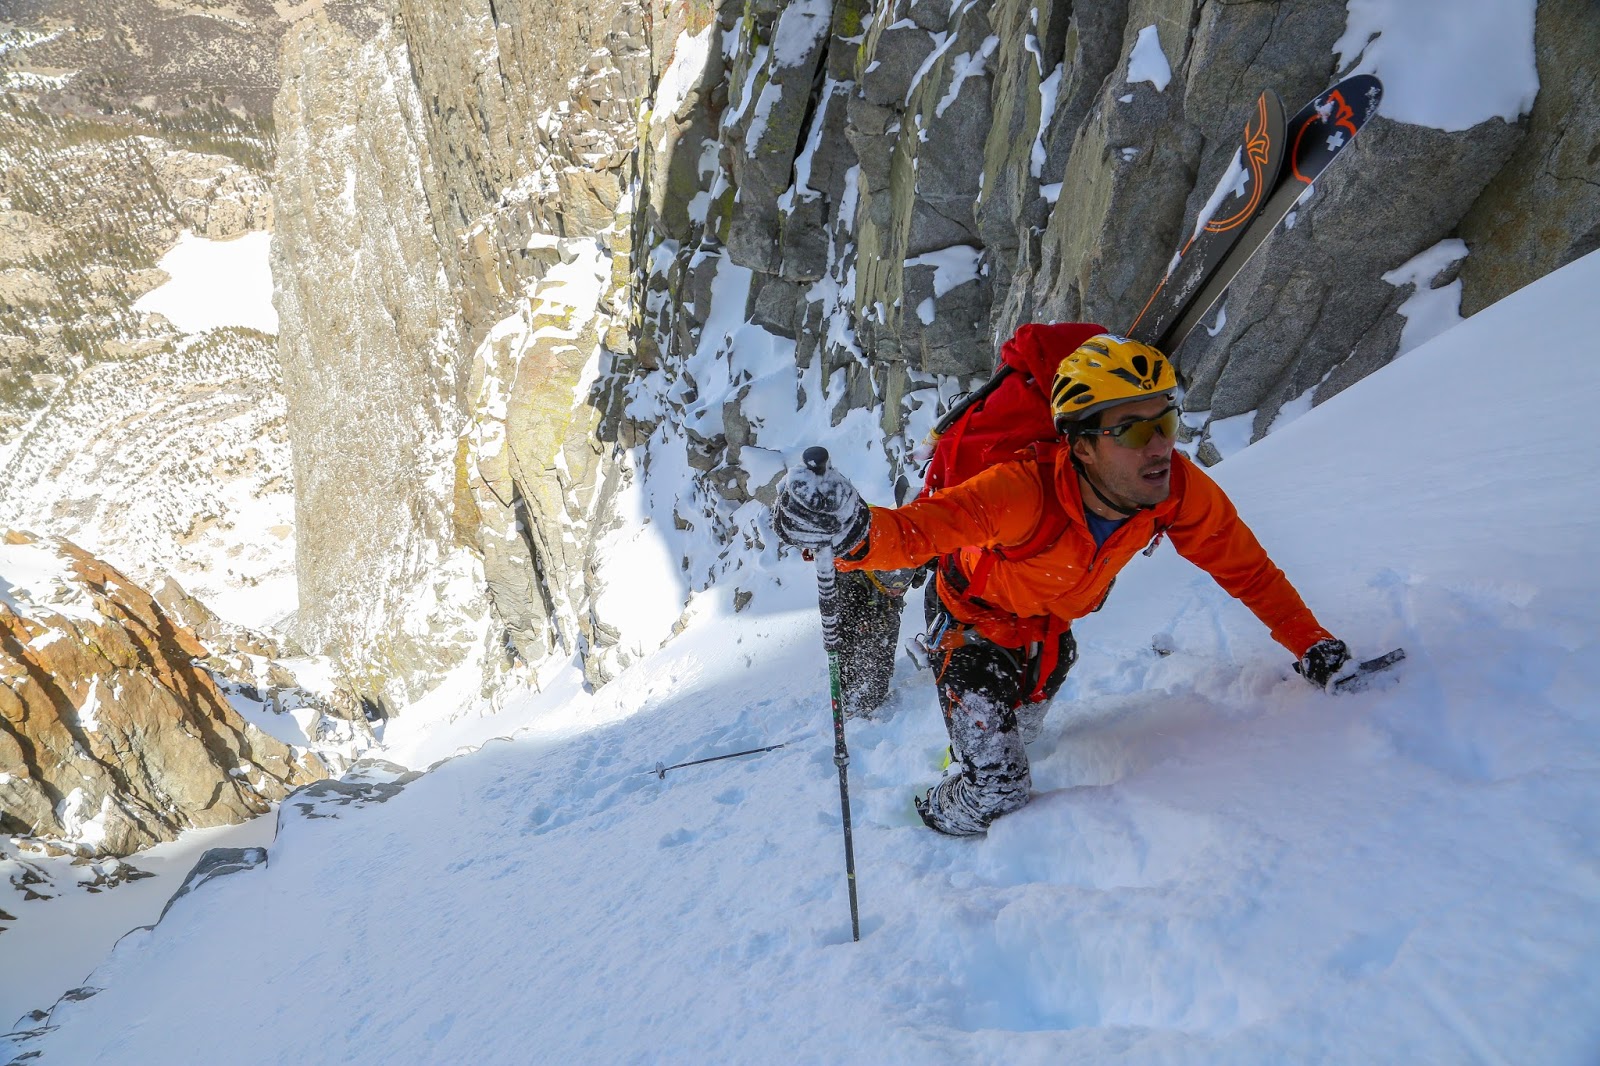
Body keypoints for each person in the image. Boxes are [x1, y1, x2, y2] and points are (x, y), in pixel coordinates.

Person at [772, 333, 1350, 836]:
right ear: (1081, 446)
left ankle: (974, 749)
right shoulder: (1021, 492)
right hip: (971, 635)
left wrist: (1309, 641)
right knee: (998, 791)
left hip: (1050, 640)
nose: (1159, 446)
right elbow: (922, 530)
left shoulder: (1175, 489)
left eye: (1165, 422)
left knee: (1016, 735)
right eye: (1133, 430)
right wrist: (851, 534)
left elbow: (1244, 567)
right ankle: (922, 814)